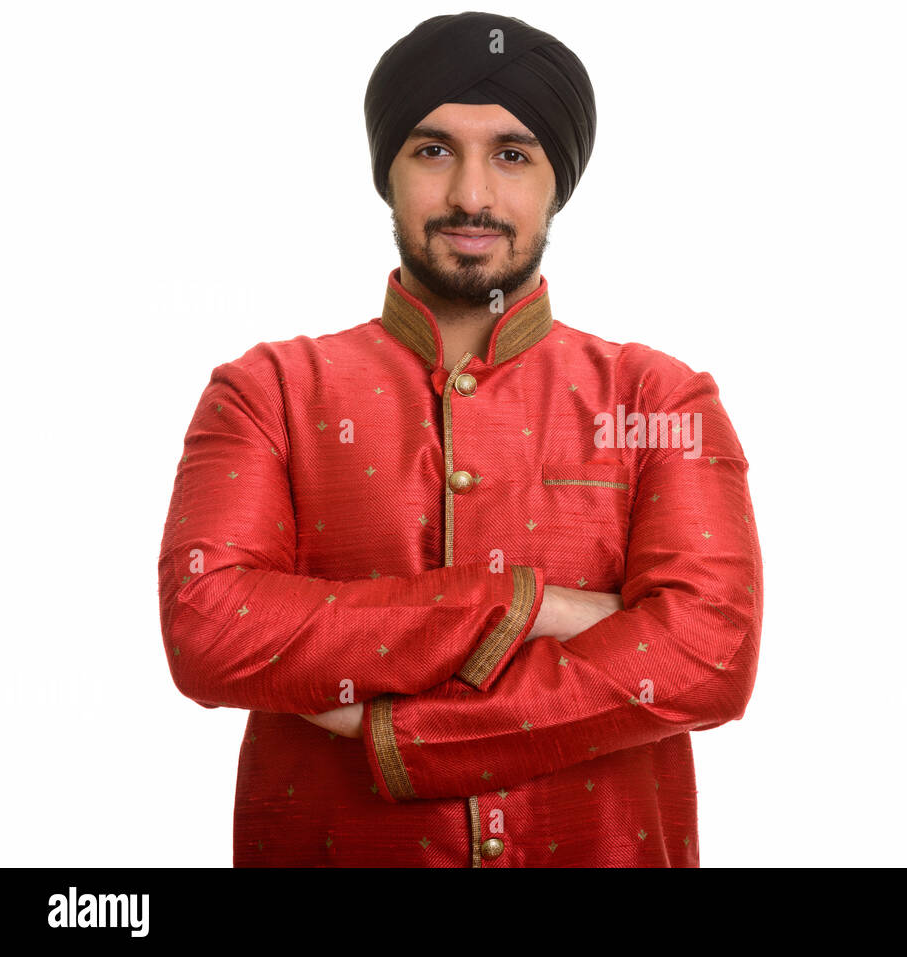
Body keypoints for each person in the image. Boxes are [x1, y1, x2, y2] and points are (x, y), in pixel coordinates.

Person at [157, 11, 763, 867]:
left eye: (512, 155)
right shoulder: (268, 393)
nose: (472, 195)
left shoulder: (659, 397)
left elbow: (710, 655)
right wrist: (525, 606)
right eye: (433, 150)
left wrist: (403, 730)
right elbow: (211, 629)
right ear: (388, 173)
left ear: (557, 182)